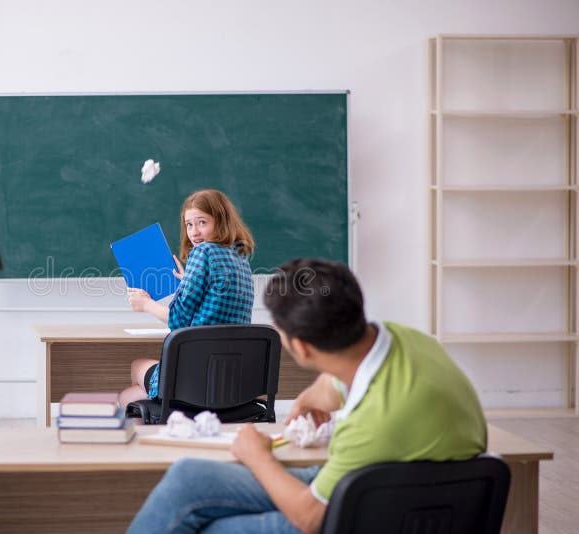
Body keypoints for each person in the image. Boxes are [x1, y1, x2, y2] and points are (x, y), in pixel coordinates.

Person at [128, 259, 488, 533]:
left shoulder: (371, 424)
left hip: (369, 512)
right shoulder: (407, 340)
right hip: (404, 486)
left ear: (299, 347)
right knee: (189, 477)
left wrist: (258, 457)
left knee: (214, 528)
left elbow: (310, 517)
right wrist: (309, 399)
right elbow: (340, 381)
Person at [118, 189, 255, 407]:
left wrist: (146, 304)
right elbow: (216, 306)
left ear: (221, 221)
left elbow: (179, 321)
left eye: (202, 222)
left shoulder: (203, 252)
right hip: (230, 379)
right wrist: (188, 283)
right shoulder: (240, 257)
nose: (194, 232)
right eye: (189, 225)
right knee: (137, 395)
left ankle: (159, 429)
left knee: (135, 371)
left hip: (195, 375)